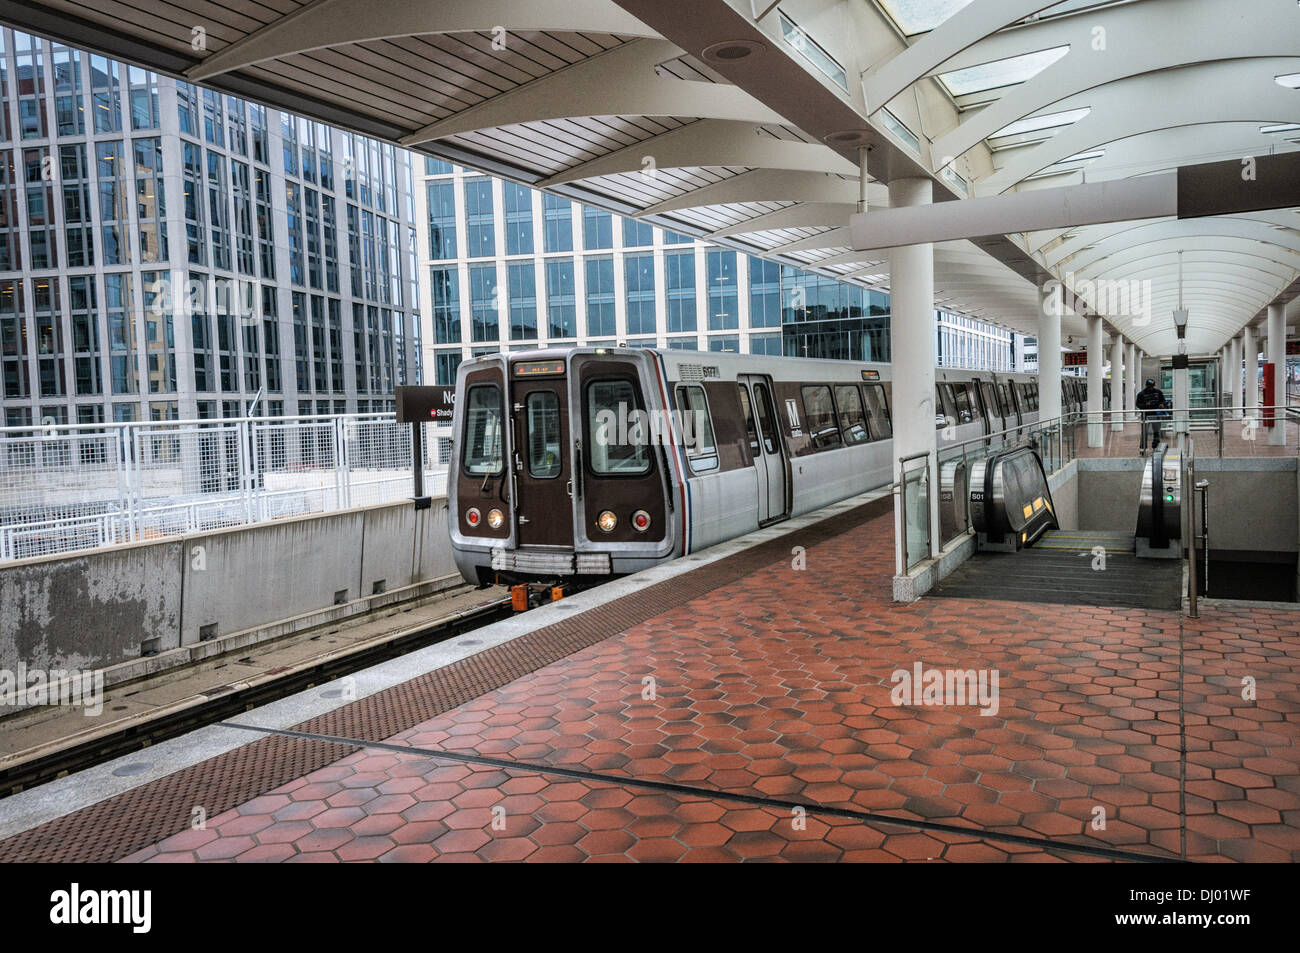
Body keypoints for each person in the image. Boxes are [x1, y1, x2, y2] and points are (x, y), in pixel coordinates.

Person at [1135, 377, 1167, 455]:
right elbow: (1138, 404)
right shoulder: (1141, 394)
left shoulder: (1158, 392)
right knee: (1144, 432)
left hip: (1156, 414)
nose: (1150, 388)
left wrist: (1162, 405)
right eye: (1149, 386)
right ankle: (1143, 449)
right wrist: (1145, 405)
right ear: (1146, 385)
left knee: (1156, 432)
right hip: (1145, 415)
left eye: (1152, 386)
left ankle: (1156, 447)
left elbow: (1164, 401)